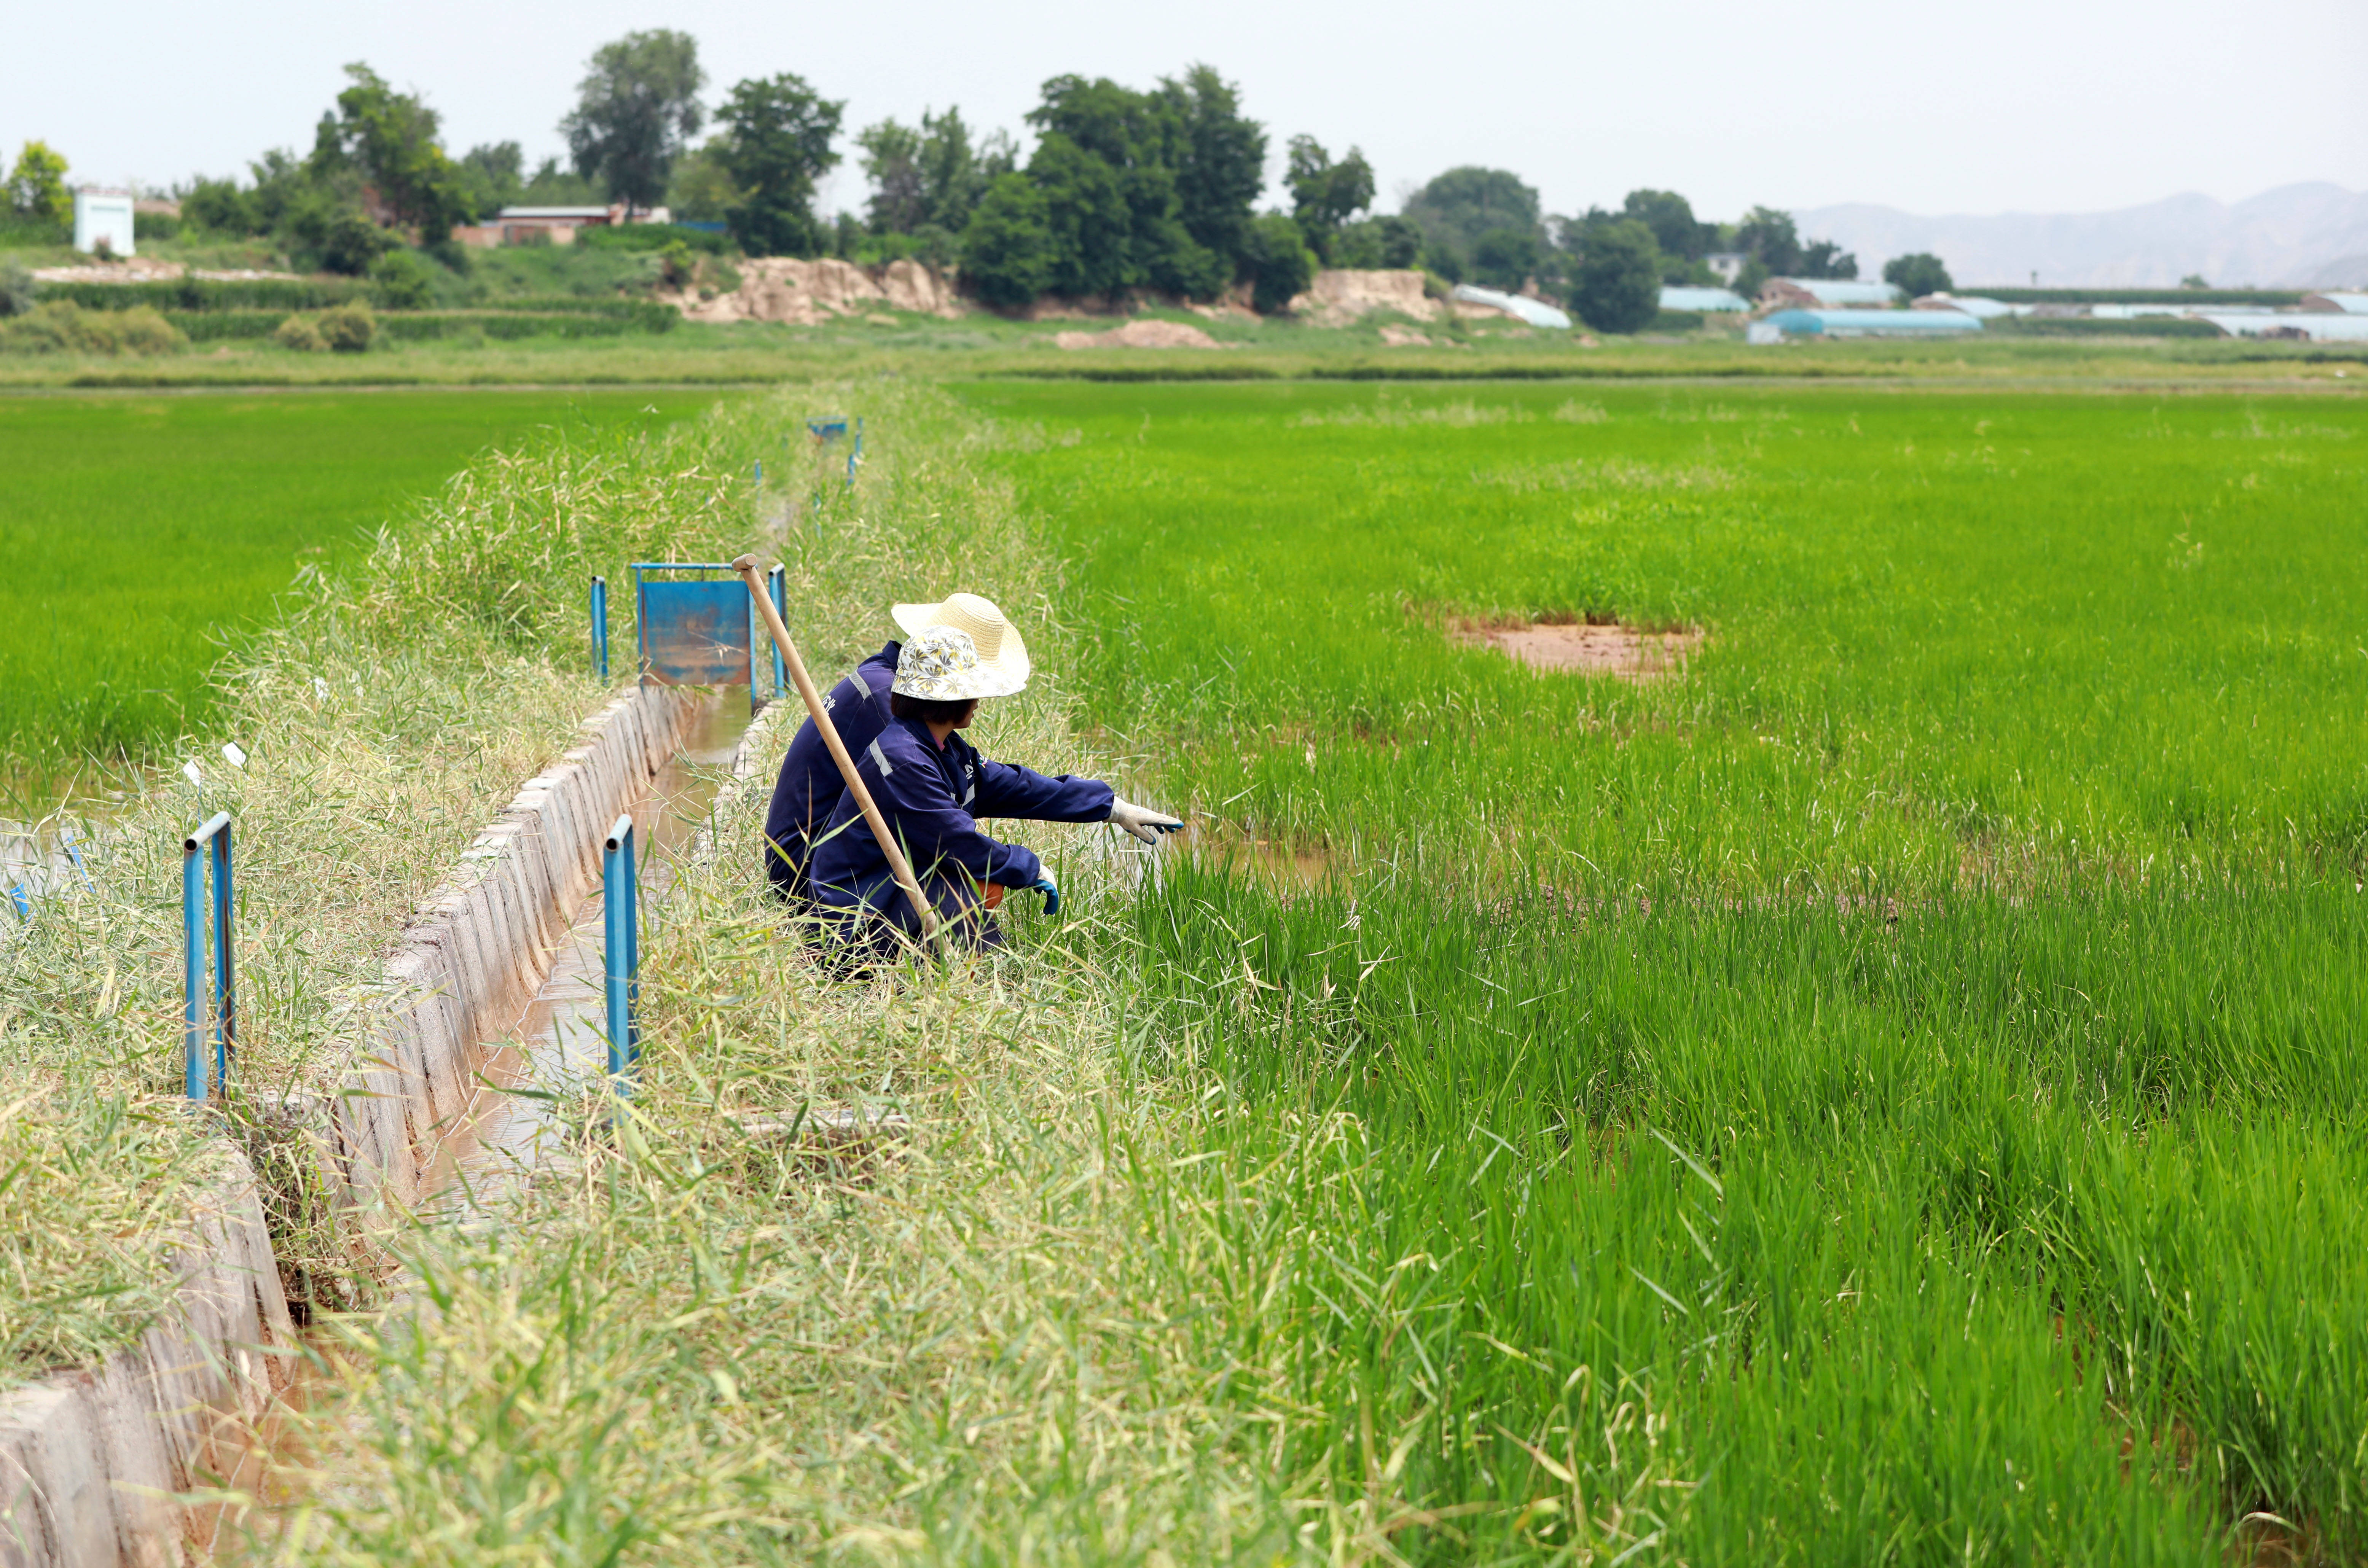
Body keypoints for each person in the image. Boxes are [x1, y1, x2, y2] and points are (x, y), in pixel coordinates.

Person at [806, 622, 1181, 959]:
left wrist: (1110, 806)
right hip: (849, 928)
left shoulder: (938, 746)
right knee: (965, 894)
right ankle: (982, 991)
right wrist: (1030, 867)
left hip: (883, 892)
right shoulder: (903, 761)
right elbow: (958, 843)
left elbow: (1014, 786)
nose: (980, 700)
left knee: (975, 885)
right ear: (949, 698)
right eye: (973, 689)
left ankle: (961, 978)